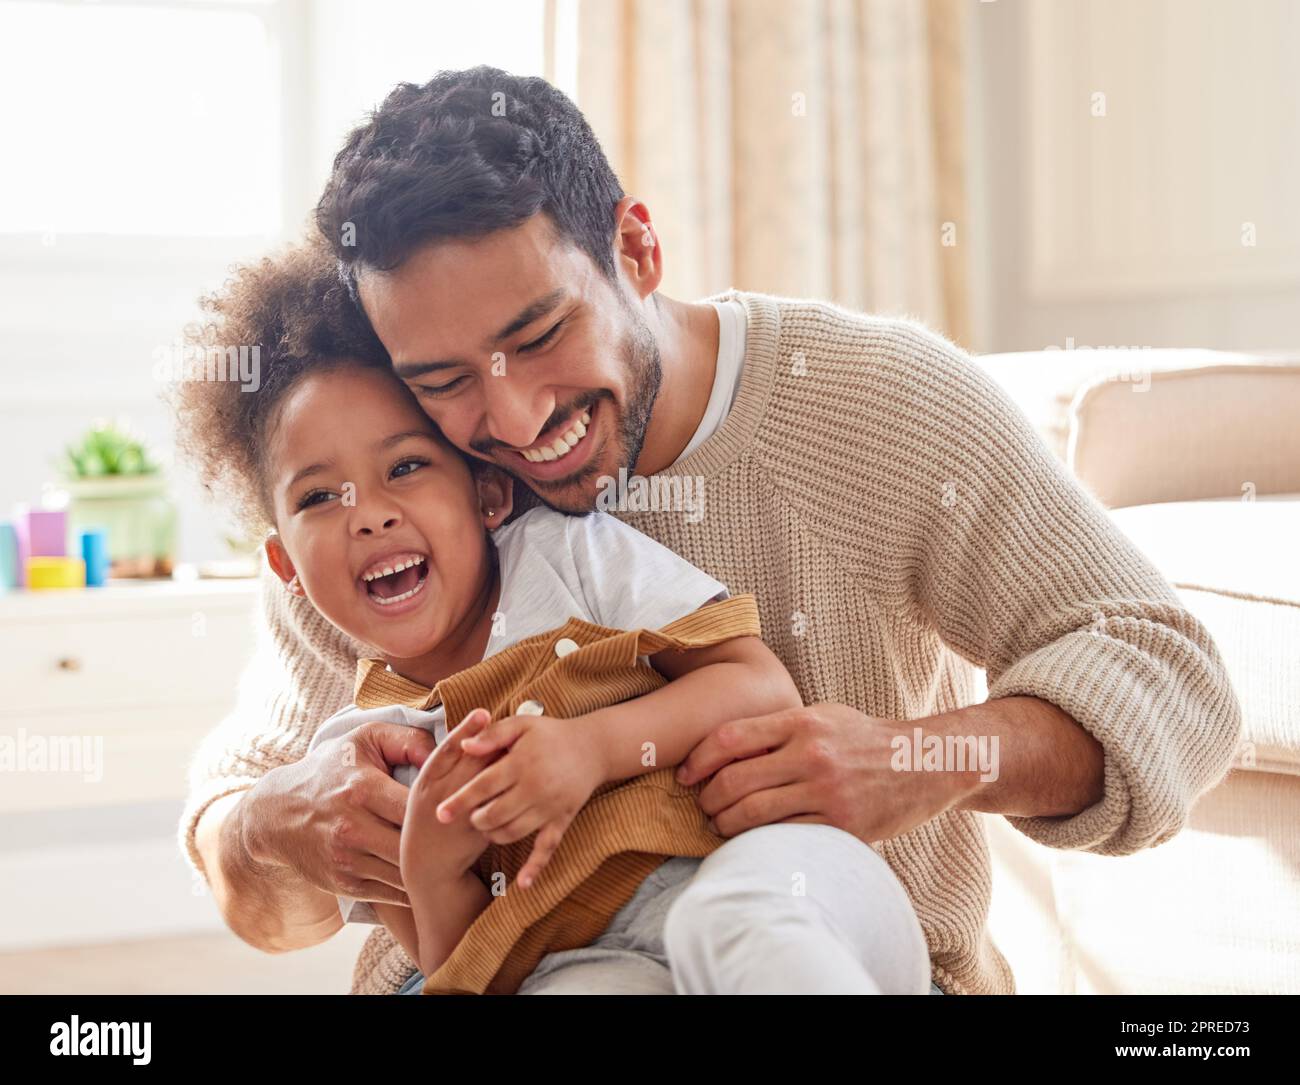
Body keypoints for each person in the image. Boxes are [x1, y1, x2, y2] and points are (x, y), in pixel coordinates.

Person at [179, 67, 1242, 996]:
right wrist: (278, 823)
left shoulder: (877, 400)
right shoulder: (384, 477)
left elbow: (1173, 676)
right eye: (444, 377)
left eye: (540, 333)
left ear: (635, 249)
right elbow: (247, 855)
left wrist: (918, 759)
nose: (508, 423)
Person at [171, 242, 932, 995]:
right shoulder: (360, 762)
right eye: (318, 497)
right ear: (286, 572)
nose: (367, 516)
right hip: (588, 964)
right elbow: (462, 970)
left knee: (732, 928)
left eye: (405, 467)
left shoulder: (572, 557)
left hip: (772, 881)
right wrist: (430, 868)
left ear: (488, 494)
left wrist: (590, 749)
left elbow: (759, 688)